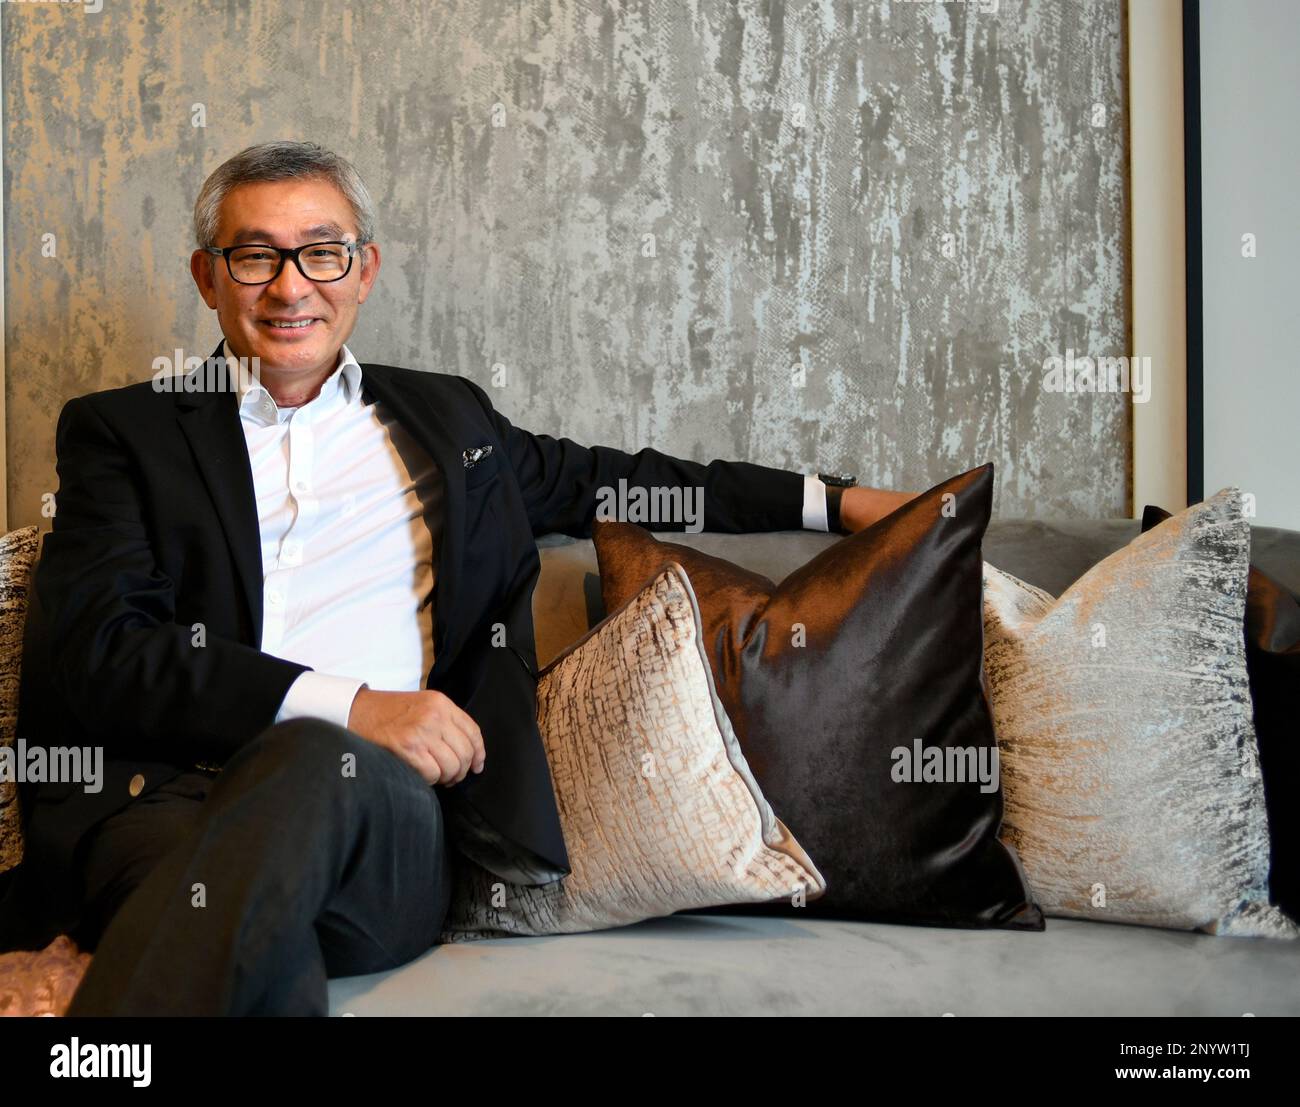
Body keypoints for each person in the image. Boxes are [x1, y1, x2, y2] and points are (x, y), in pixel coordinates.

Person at [0, 141, 915, 1015]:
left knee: (310, 767)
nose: (290, 287)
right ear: (208, 277)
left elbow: (628, 480)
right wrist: (352, 701)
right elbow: (105, 651)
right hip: (168, 804)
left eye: (322, 253)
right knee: (245, 928)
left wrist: (834, 502)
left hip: (382, 814)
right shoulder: (126, 432)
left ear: (364, 270)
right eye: (255, 257)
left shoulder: (447, 420)